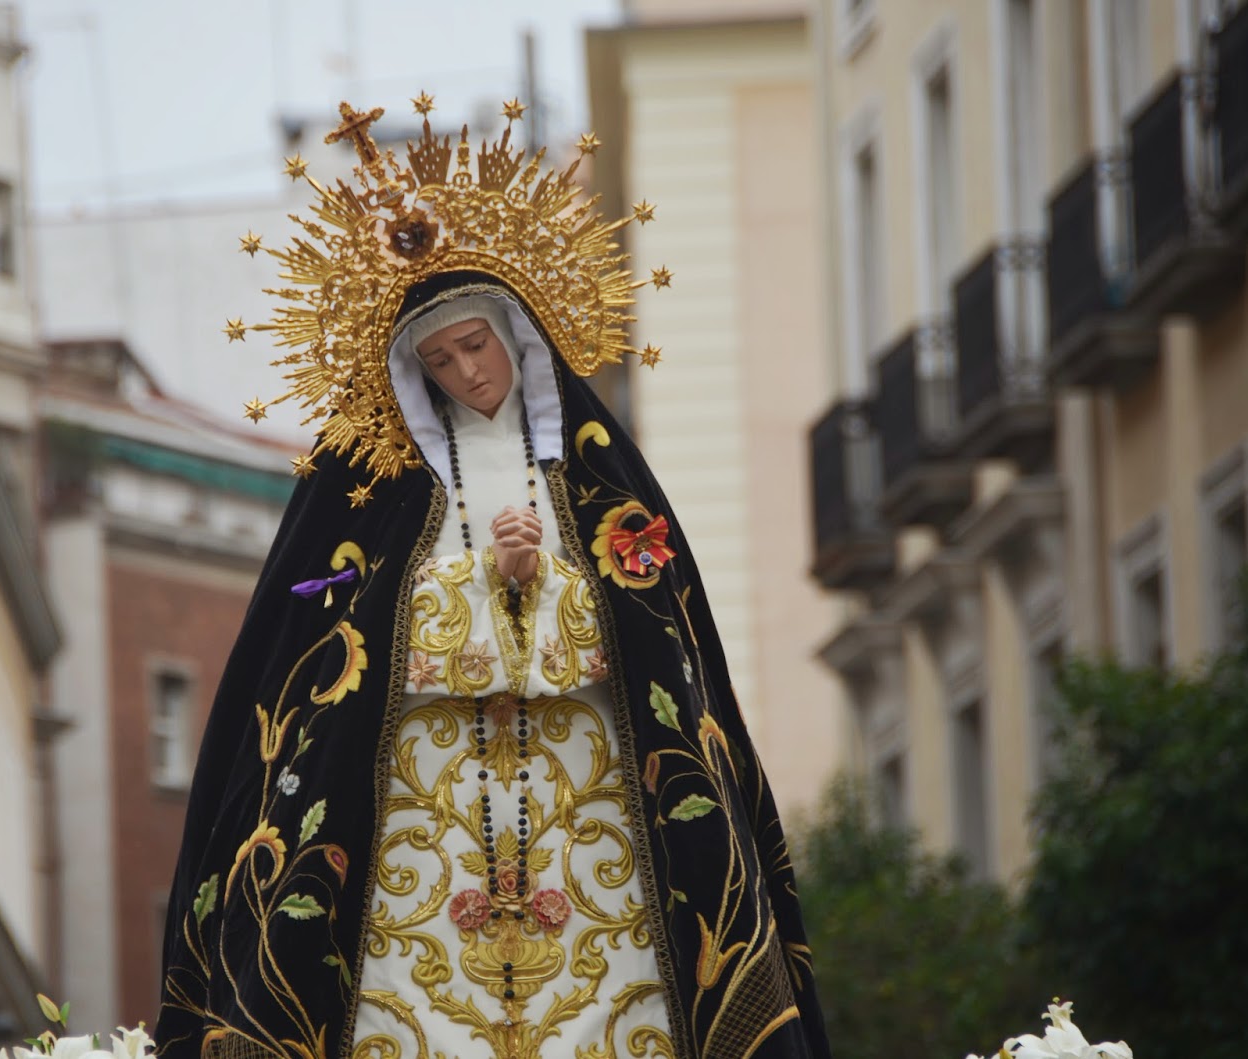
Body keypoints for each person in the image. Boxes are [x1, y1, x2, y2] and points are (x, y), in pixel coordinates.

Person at [158, 101, 831, 1059]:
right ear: (410, 371)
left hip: (588, 820)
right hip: (419, 826)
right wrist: (484, 585)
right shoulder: (371, 492)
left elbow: (656, 644)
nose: (467, 371)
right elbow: (332, 655)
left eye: (476, 343)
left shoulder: (597, 474)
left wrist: (543, 584)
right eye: (438, 359)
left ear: (517, 331)